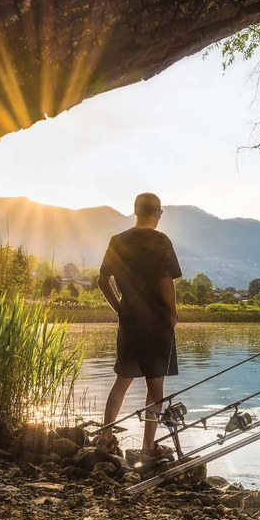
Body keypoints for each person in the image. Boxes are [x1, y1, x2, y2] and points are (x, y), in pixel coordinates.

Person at [96, 192, 181, 461]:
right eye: (160, 212)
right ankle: (148, 447)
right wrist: (173, 314)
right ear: (156, 212)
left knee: (121, 381)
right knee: (155, 388)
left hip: (130, 321)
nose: (160, 216)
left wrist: (119, 308)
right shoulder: (161, 241)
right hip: (157, 322)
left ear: (136, 211)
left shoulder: (118, 241)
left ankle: (105, 438)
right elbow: (166, 281)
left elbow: (102, 280)